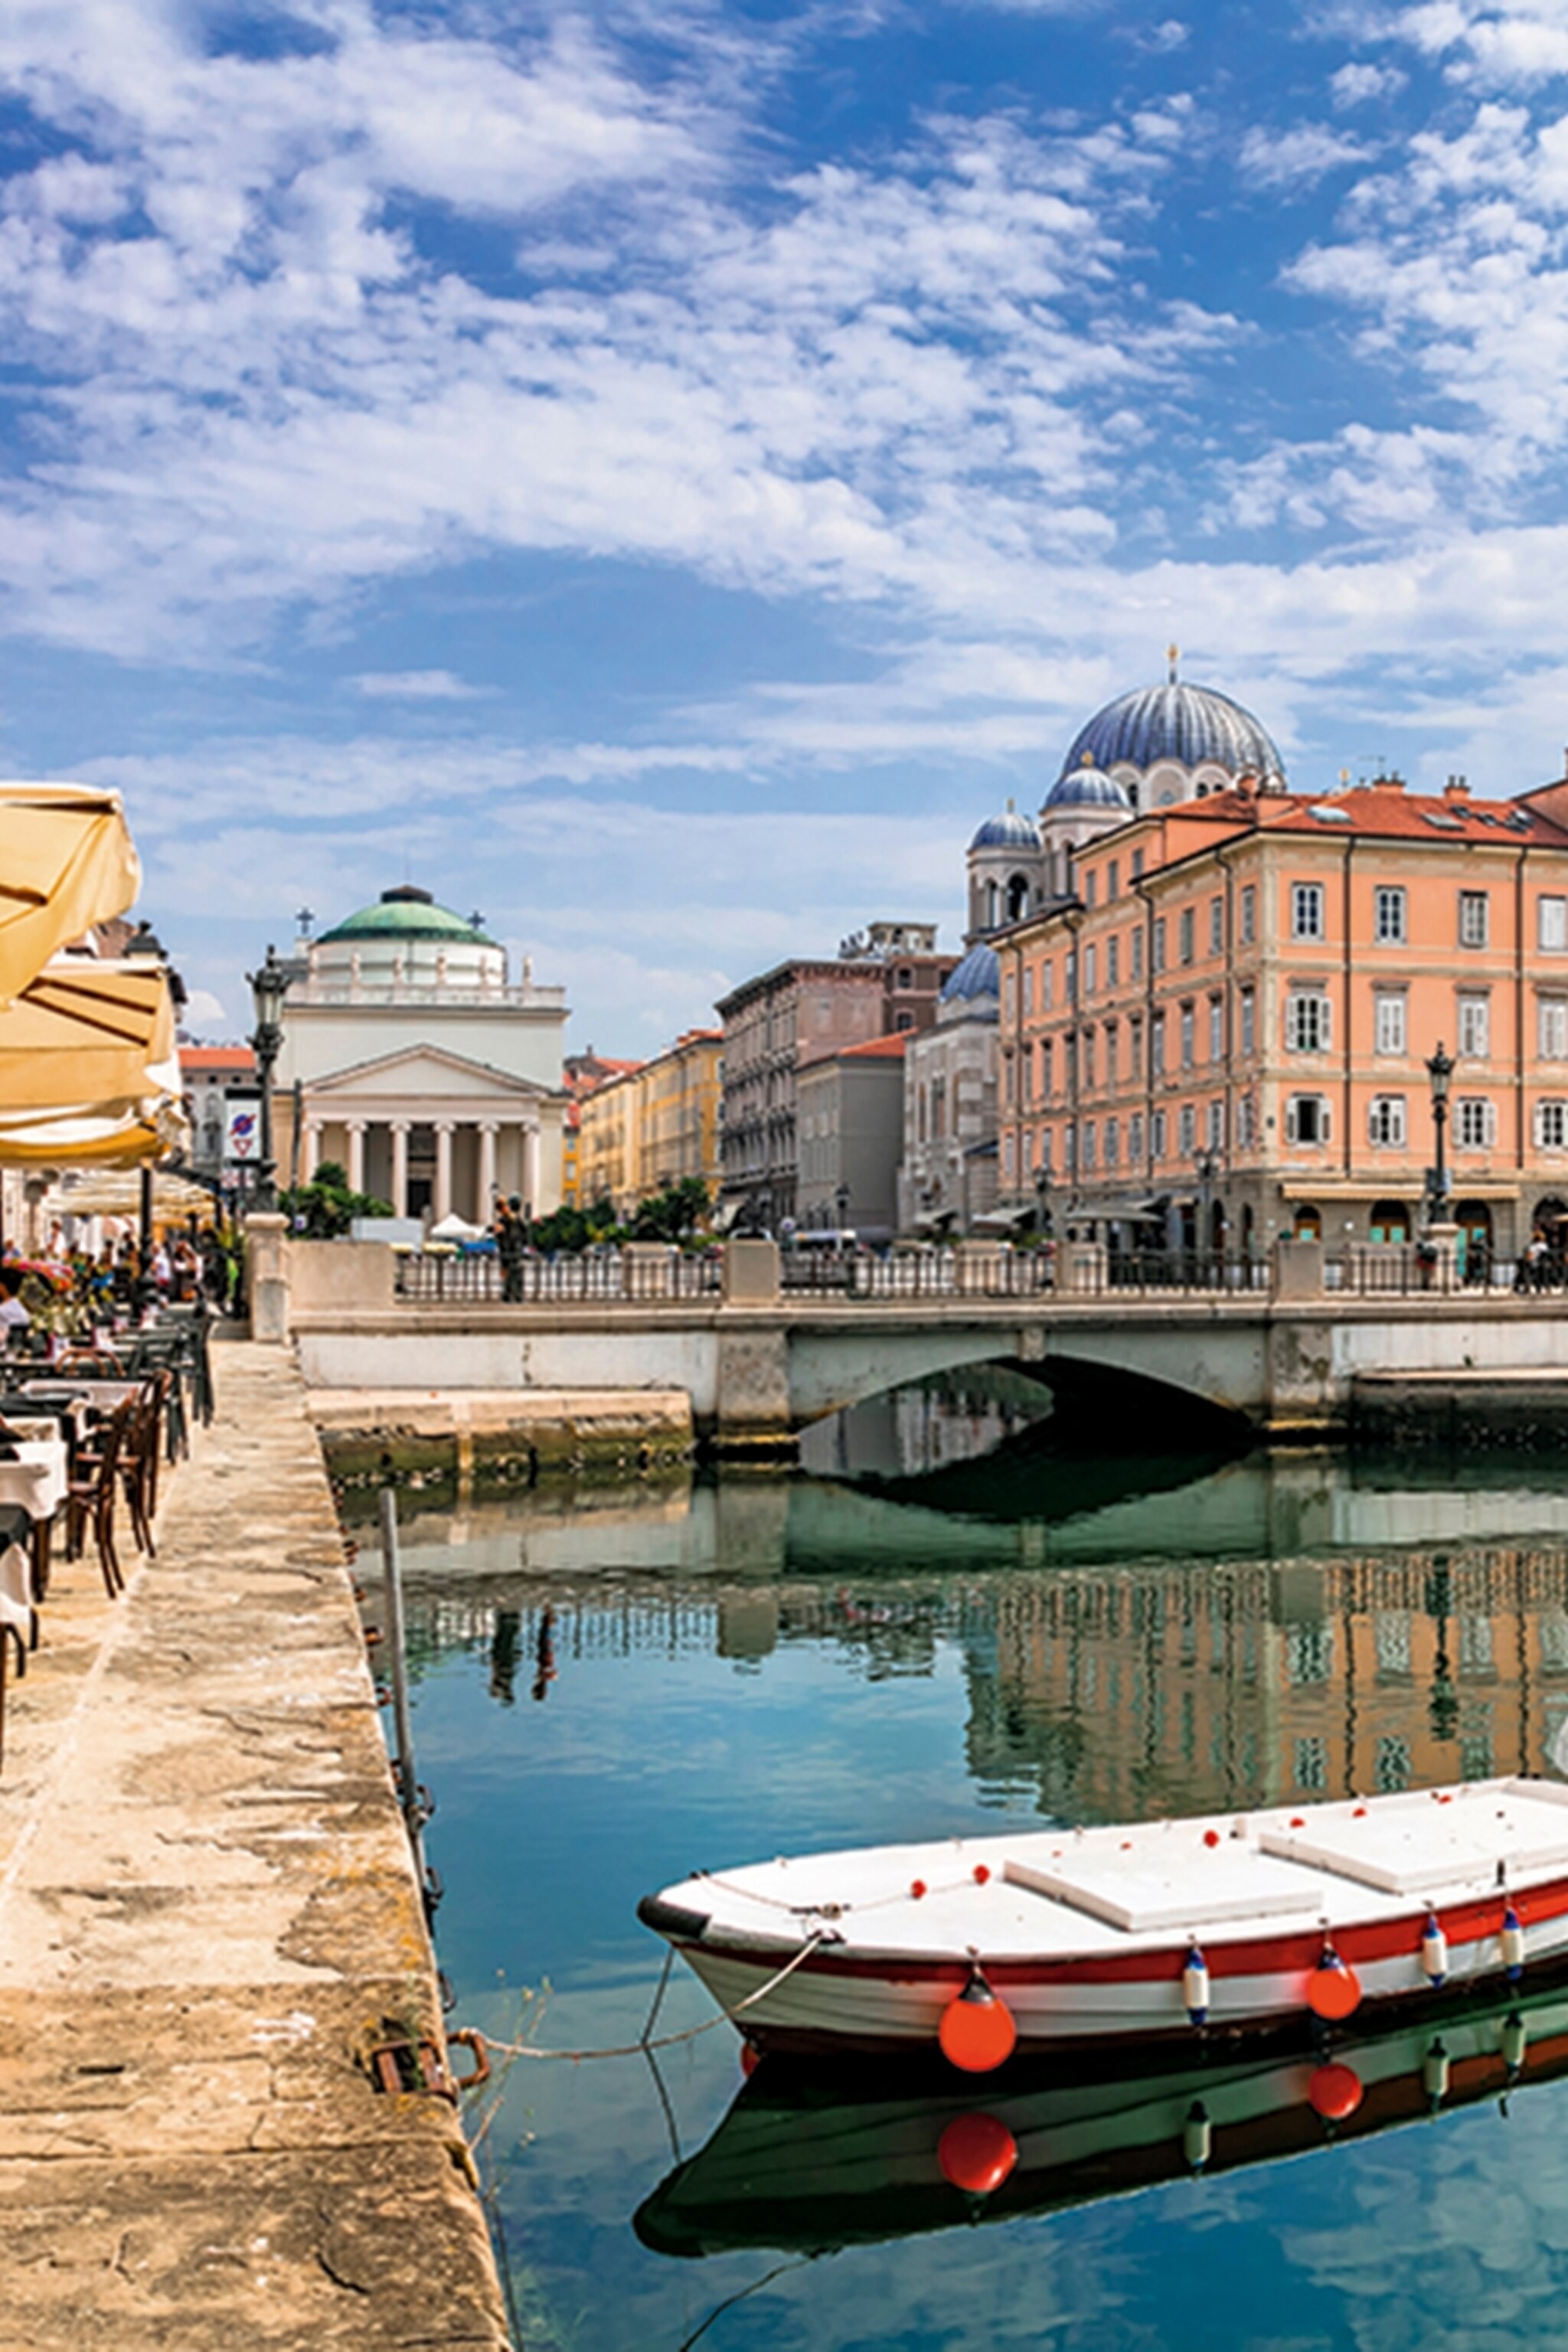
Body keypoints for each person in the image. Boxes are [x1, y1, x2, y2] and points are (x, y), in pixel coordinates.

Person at [493, 1193, 528, 1302]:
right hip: (510, 1251)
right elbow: (524, 1234)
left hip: (511, 1251)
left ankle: (511, 1294)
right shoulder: (507, 1220)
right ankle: (512, 1295)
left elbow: (523, 1234)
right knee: (513, 1273)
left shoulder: (511, 1219)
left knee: (513, 1273)